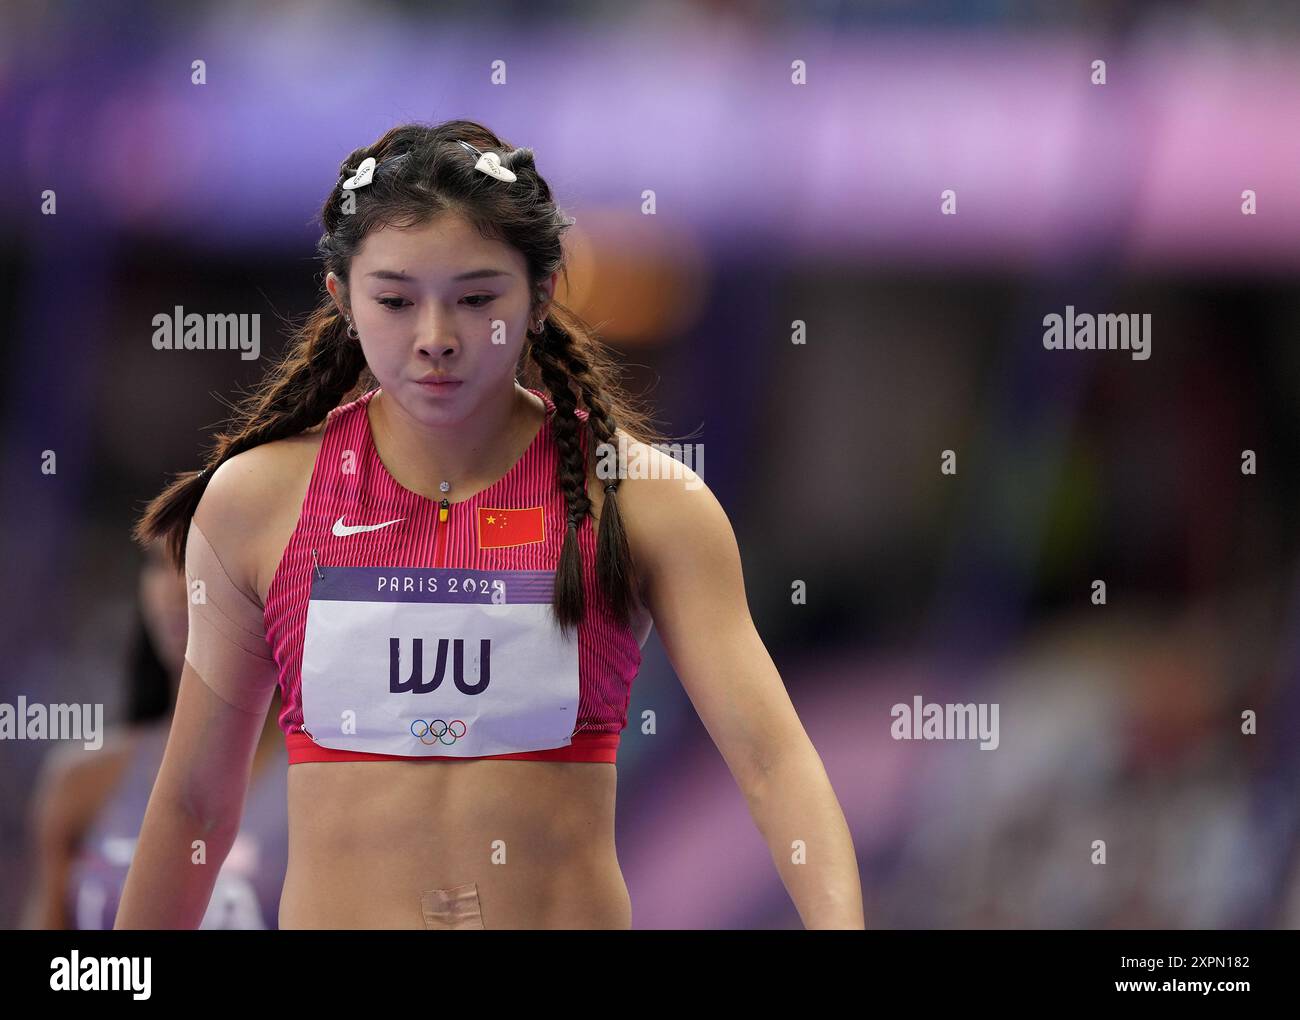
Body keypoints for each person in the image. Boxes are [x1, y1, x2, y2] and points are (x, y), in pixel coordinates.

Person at [118, 119, 862, 929]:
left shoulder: (647, 504)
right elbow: (195, 803)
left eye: (477, 300)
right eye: (396, 301)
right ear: (342, 299)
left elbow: (771, 762)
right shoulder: (256, 503)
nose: (436, 339)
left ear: (539, 296)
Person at [21, 539, 286, 929]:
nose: (178, 587)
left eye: (203, 562)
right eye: (159, 563)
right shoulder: (80, 783)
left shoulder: (323, 785)